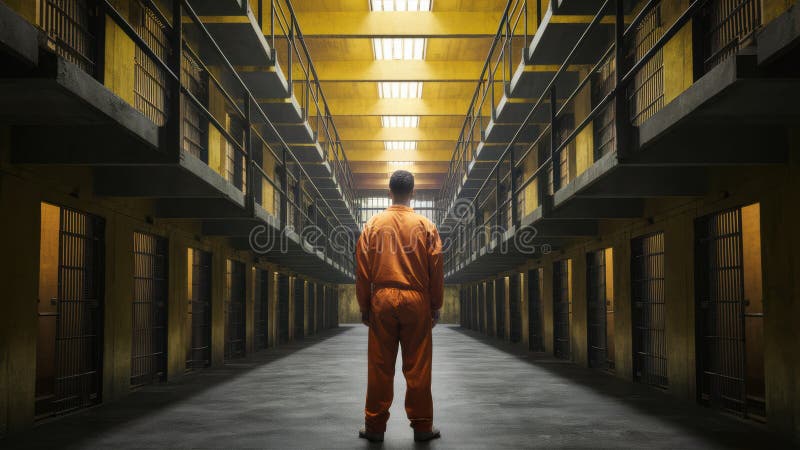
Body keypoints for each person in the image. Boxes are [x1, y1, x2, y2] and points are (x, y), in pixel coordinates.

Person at [355, 170, 444, 443]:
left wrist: (365, 306)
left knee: (379, 366)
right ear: (413, 192)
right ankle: (422, 427)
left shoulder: (373, 224)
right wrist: (435, 305)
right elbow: (436, 268)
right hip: (416, 300)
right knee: (418, 365)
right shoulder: (426, 225)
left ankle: (374, 428)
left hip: (382, 299)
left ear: (388, 192)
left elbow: (362, 270)